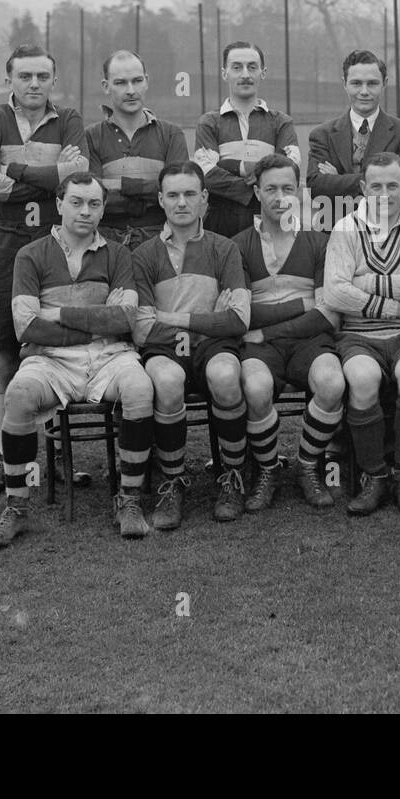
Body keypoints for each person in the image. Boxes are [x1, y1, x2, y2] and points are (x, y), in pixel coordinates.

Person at [0, 173, 154, 547]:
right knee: (19, 395)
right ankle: (17, 508)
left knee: (140, 388)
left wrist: (59, 315)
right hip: (51, 359)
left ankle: (129, 501)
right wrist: (92, 325)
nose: (85, 211)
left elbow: (125, 318)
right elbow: (26, 327)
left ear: (104, 208)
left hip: (109, 356)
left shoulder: (119, 254)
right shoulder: (31, 255)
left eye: (94, 203)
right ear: (59, 204)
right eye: (76, 202)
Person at [0, 44, 87, 497]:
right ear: (10, 81)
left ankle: (58, 461)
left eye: (42, 76)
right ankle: (9, 462)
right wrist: (50, 174)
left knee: (55, 358)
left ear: (53, 81)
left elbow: (78, 177)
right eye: (25, 77)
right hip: (2, 248)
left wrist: (14, 169)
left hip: (56, 250)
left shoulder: (70, 119)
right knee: (5, 363)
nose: (34, 84)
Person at [132, 162, 251, 527]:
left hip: (213, 348)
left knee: (226, 375)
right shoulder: (143, 254)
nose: (181, 203)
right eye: (173, 195)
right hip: (168, 351)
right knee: (166, 383)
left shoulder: (225, 249)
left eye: (189, 194)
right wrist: (206, 323)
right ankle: (172, 482)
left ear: (204, 199)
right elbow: (141, 331)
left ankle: (233, 477)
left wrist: (173, 319)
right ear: (161, 200)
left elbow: (239, 320)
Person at [323, 152, 400, 516]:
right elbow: (335, 293)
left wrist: (366, 281)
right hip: (360, 334)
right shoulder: (345, 227)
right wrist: (391, 305)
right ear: (362, 188)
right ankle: (374, 476)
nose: (385, 193)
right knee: (362, 379)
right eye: (376, 185)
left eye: (393, 185)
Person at [233, 155, 345, 511]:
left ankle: (309, 466)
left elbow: (328, 316)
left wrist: (267, 329)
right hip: (259, 348)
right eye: (270, 189)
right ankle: (268, 469)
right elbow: (241, 314)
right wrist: (302, 306)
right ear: (256, 192)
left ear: (299, 191)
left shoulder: (320, 240)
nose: (280, 196)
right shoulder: (236, 246)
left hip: (307, 342)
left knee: (331, 383)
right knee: (255, 387)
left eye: (287, 188)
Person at [194, 41, 301, 238]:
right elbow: (206, 174)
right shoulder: (209, 122)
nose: (245, 74)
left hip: (271, 219)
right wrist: (256, 181)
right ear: (224, 73)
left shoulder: (281, 122)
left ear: (263, 72)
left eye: (252, 67)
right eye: (237, 67)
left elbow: (290, 168)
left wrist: (228, 164)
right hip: (220, 221)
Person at [85, 49, 189, 250]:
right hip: (105, 244)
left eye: (137, 81)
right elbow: (92, 197)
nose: (131, 90)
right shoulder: (90, 136)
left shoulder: (171, 134)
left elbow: (177, 191)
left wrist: (119, 186)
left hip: (162, 243)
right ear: (106, 86)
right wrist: (152, 191)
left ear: (147, 81)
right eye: (121, 83)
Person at [307, 49, 400, 232]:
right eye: (356, 83)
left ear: (384, 84)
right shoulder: (322, 135)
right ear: (345, 84)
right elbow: (317, 188)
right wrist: (379, 182)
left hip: (385, 233)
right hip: (333, 232)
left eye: (372, 83)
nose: (364, 92)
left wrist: (338, 180)